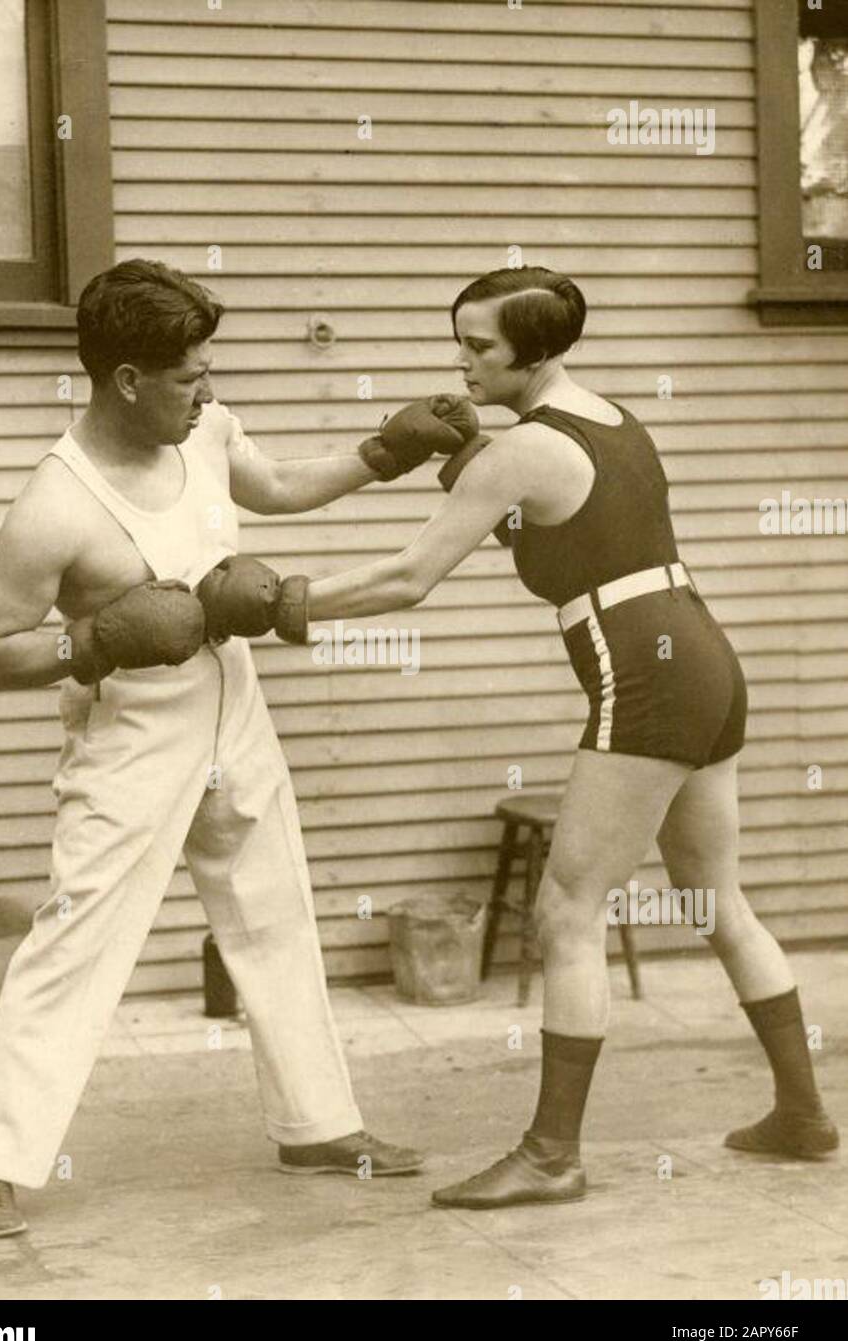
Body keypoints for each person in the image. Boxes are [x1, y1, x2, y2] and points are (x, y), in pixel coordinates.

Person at [224, 265, 840, 1210]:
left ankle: (553, 1154)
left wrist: (283, 605)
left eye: (481, 349)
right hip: (702, 655)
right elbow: (576, 537)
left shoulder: (529, 450)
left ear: (538, 352)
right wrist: (477, 465)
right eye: (457, 342)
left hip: (643, 671)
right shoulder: (613, 420)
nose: (461, 363)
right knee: (716, 899)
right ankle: (802, 1117)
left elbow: (408, 578)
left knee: (566, 911)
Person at [0, 258, 469, 1236]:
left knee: (276, 908)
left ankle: (317, 1123)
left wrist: (380, 453)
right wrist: (95, 639)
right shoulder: (56, 505)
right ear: (126, 380)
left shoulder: (207, 430)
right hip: (132, 734)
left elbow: (272, 488)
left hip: (235, 702)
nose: (211, 389)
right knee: (78, 937)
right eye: (191, 375)